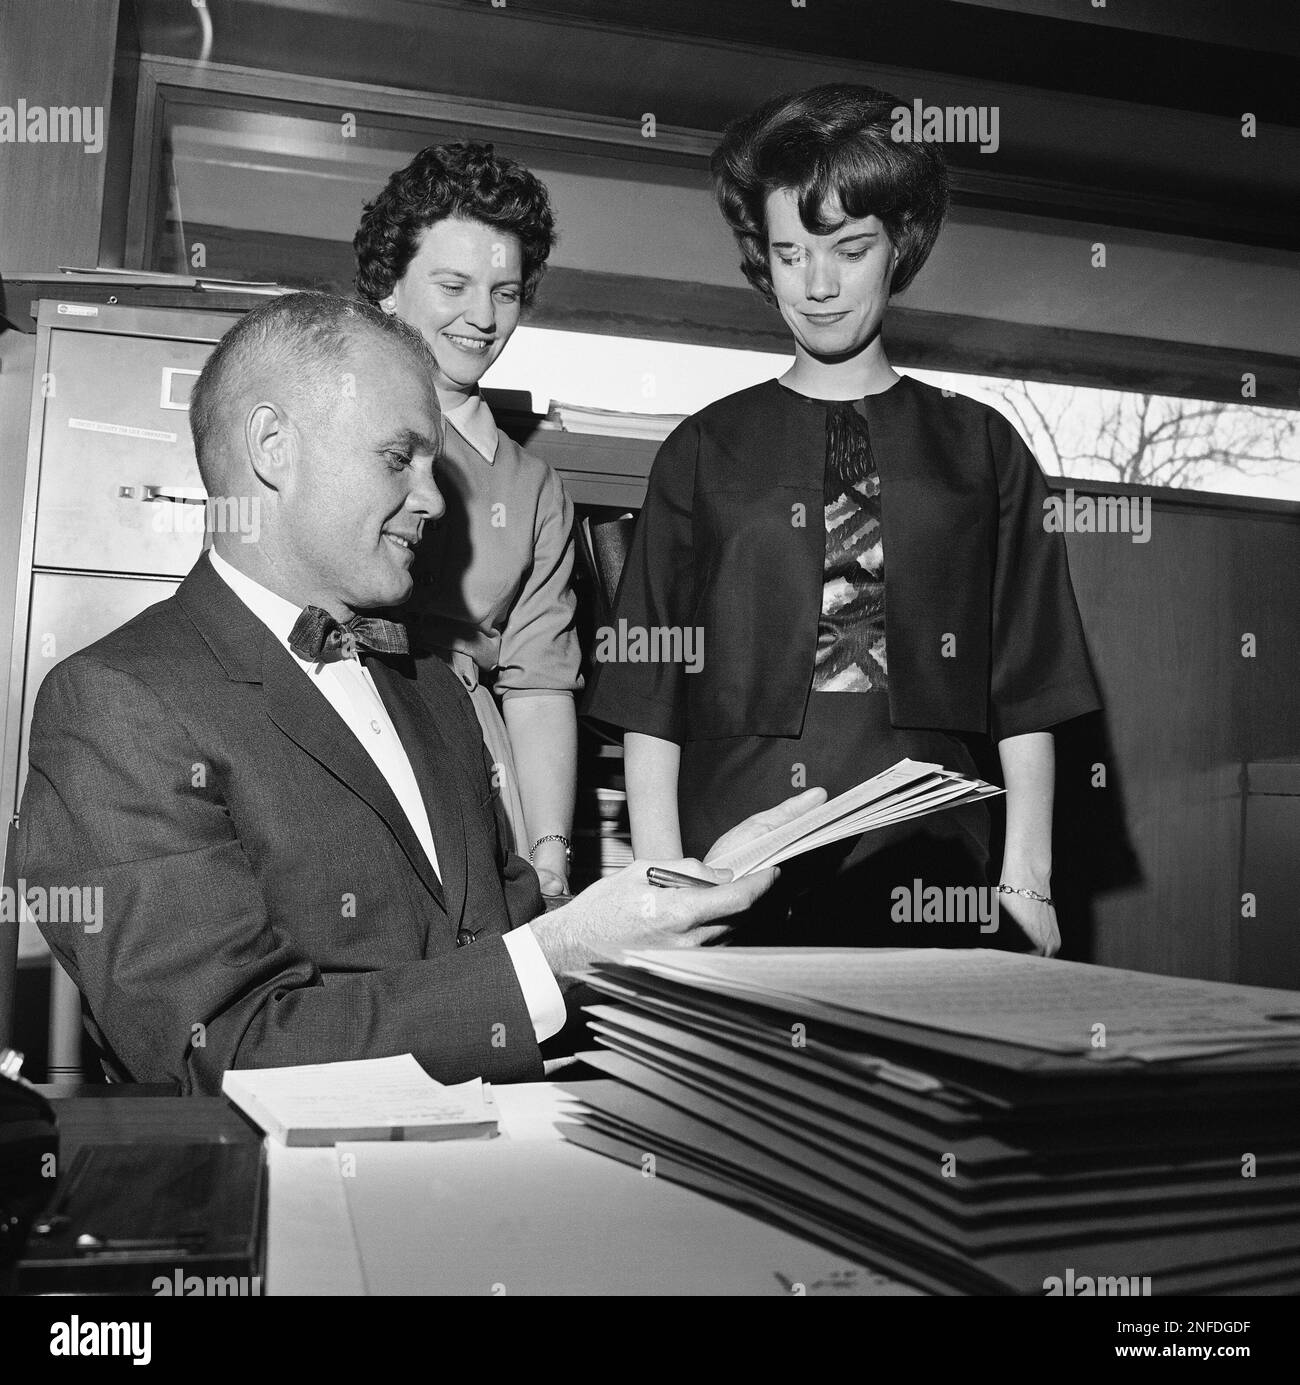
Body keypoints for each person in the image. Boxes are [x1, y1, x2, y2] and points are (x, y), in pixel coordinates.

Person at [13, 293, 805, 1095]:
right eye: (400, 458)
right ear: (272, 448)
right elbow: (229, 1051)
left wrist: (660, 913)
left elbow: (511, 944)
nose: (432, 500)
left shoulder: (433, 686)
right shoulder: (112, 704)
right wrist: (565, 949)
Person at [584, 84, 1101, 956]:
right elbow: (650, 698)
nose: (817, 285)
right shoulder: (701, 449)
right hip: (735, 863)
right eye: (790, 255)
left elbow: (1028, 684)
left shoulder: (982, 447)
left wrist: (1028, 878)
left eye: (849, 249)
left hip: (937, 865)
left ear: (898, 246)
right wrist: (664, 892)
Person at [354, 142, 577, 898]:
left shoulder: (535, 486)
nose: (483, 318)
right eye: (454, 284)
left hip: (466, 755)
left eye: (506, 293)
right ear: (389, 284)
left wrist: (549, 853)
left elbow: (540, 686)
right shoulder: (323, 413)